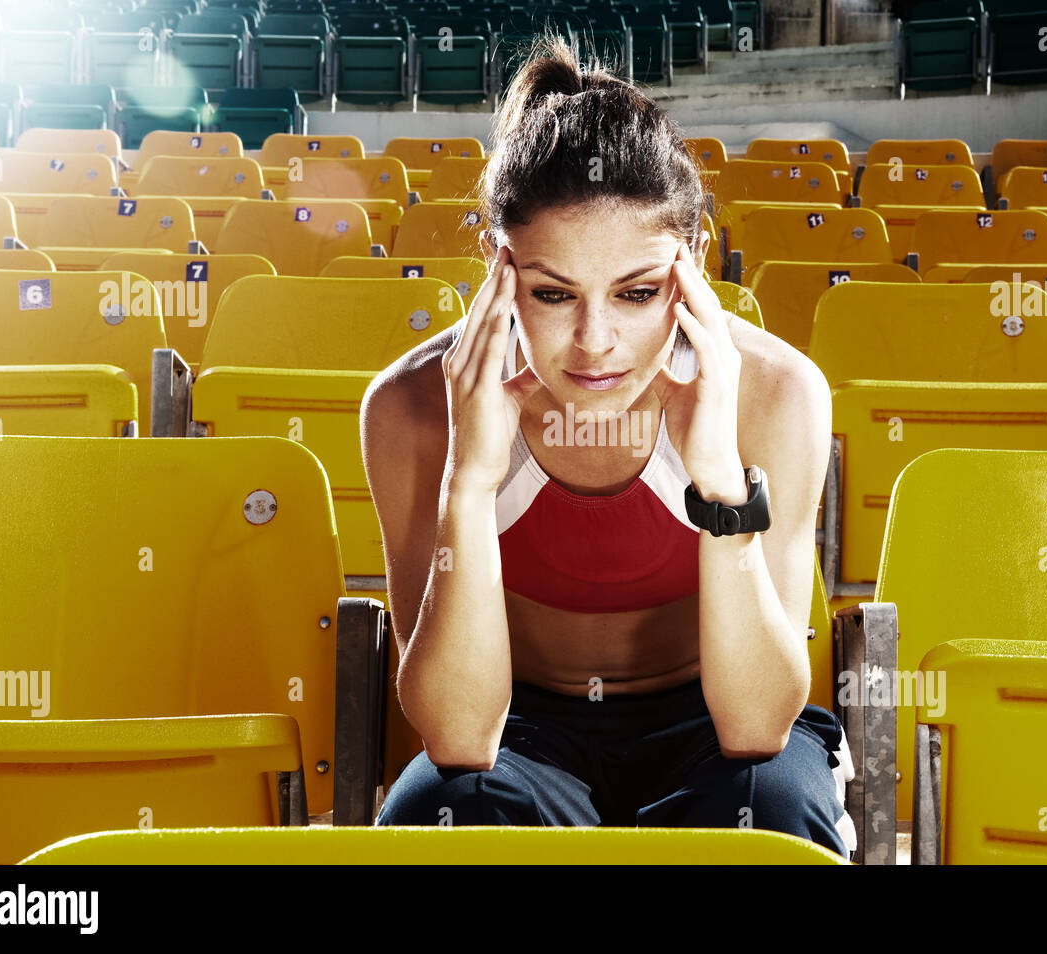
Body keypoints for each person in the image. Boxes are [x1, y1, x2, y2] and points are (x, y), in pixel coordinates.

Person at [360, 35, 856, 859]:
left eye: (636, 293)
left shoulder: (777, 393)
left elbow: (757, 726)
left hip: (715, 719)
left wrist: (716, 480)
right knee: (445, 814)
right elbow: (457, 737)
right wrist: (471, 481)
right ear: (498, 267)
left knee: (769, 809)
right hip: (518, 727)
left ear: (693, 263)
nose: (595, 342)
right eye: (553, 293)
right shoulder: (412, 408)